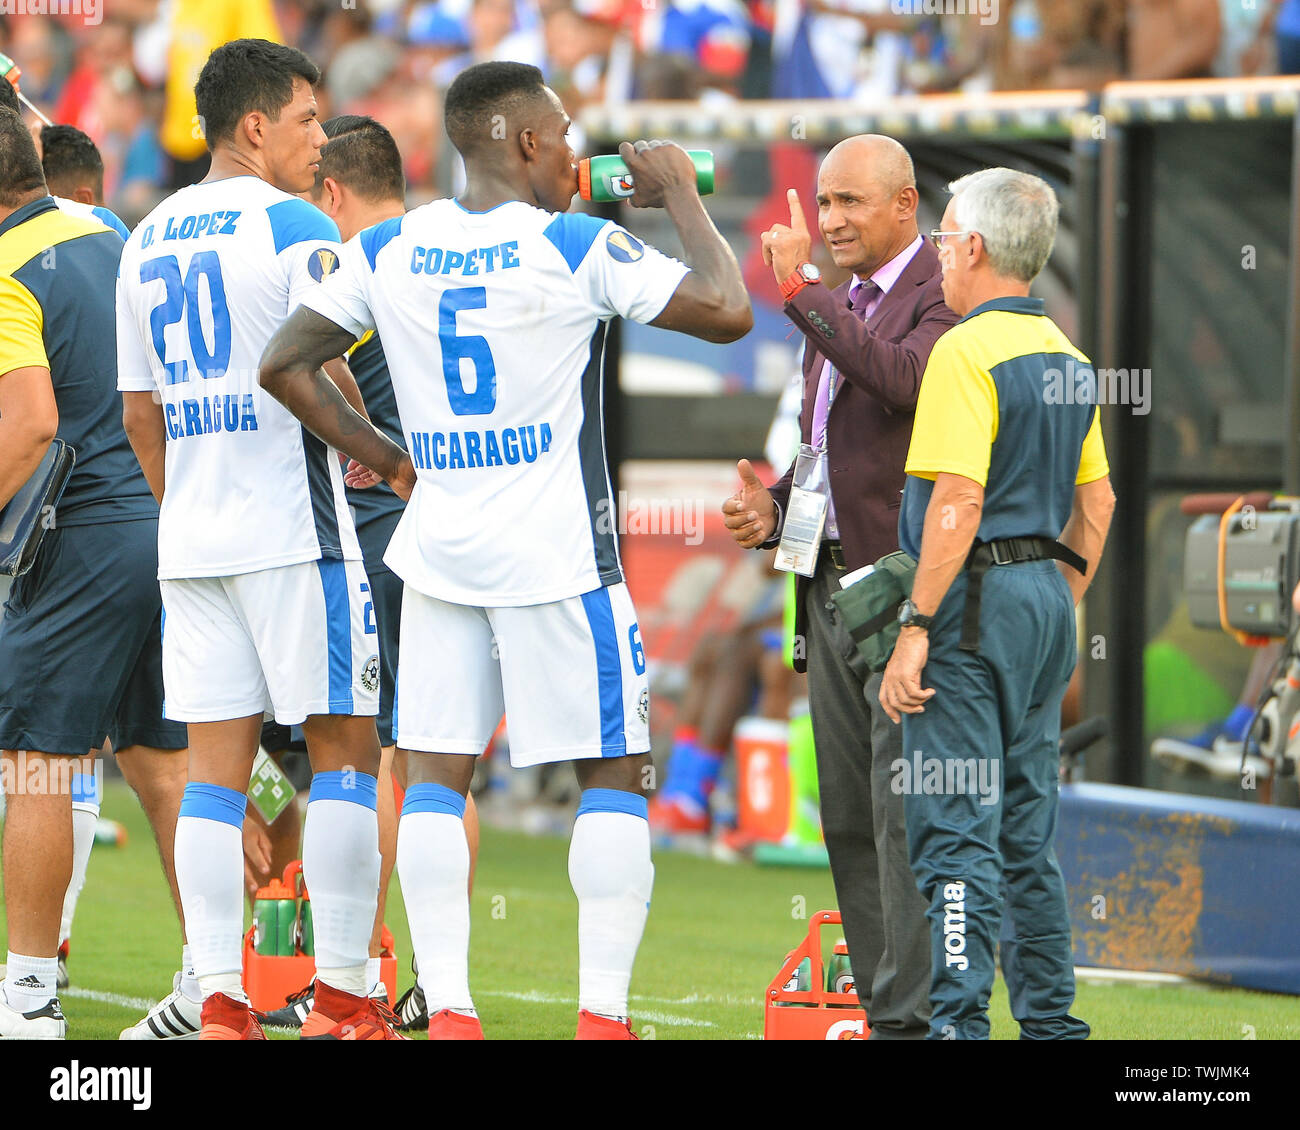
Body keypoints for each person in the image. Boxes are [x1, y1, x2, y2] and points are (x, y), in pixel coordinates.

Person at [258, 60, 751, 1039]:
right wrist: (686, 198)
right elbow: (728, 308)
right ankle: (602, 1018)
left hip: (438, 551)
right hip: (562, 559)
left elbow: (283, 362)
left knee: (435, 775)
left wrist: (388, 461)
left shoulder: (392, 245)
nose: (576, 151)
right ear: (525, 141)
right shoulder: (576, 243)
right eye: (563, 133)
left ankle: (449, 1011)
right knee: (612, 769)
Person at [116, 39, 402, 1042]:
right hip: (295, 529)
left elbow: (139, 413)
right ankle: (341, 996)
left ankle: (219, 995)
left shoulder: (143, 236)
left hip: (190, 538)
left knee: (212, 772)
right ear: (253, 127)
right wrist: (384, 457)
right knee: (347, 758)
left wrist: (183, 504)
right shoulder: (297, 225)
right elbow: (323, 361)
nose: (321, 142)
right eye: (307, 119)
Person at [722, 134, 957, 1039]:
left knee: (904, 817)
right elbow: (831, 450)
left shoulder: (940, 293)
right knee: (852, 817)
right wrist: (775, 509)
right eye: (825, 203)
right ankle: (884, 1010)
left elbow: (900, 381)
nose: (831, 222)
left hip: (901, 593)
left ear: (907, 205)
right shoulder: (842, 304)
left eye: (852, 203)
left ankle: (915, 1015)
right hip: (825, 586)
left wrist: (804, 295)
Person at [254, 114, 483, 1032]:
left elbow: (312, 380)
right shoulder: (447, 250)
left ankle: (368, 976)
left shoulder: (358, 267)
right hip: (456, 531)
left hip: (378, 529)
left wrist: (378, 459)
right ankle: (433, 976)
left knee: (390, 757)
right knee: (439, 761)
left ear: (333, 194)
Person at [879, 166, 1115, 1039]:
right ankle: (1053, 1027)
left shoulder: (963, 350)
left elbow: (956, 502)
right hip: (1043, 605)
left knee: (952, 835)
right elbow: (1099, 506)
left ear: (972, 247)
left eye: (943, 237)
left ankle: (958, 1027)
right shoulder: (1070, 357)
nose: (940, 251)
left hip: (969, 604)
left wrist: (915, 627)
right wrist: (1052, 598)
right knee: (1026, 833)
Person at [0, 107, 190, 1040]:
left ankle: (29, 992)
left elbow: (30, 423)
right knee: (165, 760)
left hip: (81, 531)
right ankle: (218, 979)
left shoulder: (3, 270)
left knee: (39, 760)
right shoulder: (114, 230)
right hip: (171, 515)